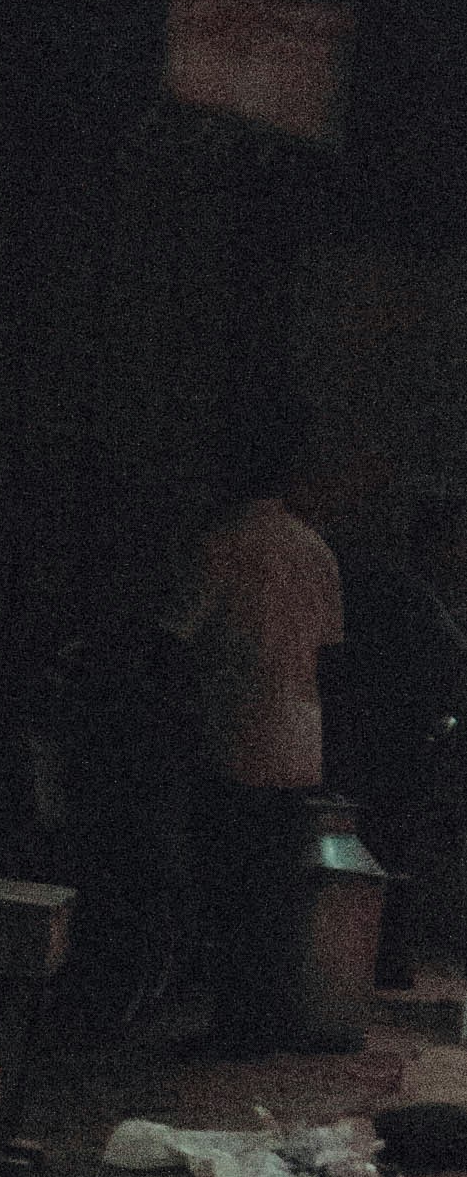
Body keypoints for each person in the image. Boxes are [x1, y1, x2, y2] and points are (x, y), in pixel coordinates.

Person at [159, 441, 345, 1055]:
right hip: (299, 740)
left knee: (230, 889)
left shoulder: (220, 546)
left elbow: (175, 638)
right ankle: (275, 1019)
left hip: (233, 738)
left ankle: (237, 1025)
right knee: (278, 891)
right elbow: (330, 652)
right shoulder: (315, 550)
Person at [330, 491, 467, 986]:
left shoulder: (389, 589)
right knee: (395, 848)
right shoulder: (415, 598)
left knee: (381, 848)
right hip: (403, 743)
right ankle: (384, 958)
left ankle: (367, 957)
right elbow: (450, 666)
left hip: (378, 739)